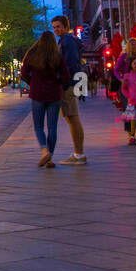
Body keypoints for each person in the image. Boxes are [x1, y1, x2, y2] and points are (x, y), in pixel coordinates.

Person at [20, 31, 72, 169]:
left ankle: (44, 151)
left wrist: (33, 83)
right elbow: (66, 77)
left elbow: (24, 73)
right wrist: (58, 82)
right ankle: (50, 158)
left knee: (38, 126)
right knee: (52, 127)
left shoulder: (32, 55)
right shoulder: (57, 57)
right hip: (54, 95)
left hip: (37, 94)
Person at [50, 16, 88, 165]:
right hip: (70, 83)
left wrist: (63, 82)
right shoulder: (65, 41)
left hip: (68, 84)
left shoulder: (67, 41)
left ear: (66, 26)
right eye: (54, 27)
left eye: (58, 26)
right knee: (71, 118)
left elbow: (71, 64)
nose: (56, 30)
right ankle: (78, 153)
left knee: (72, 117)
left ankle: (79, 155)